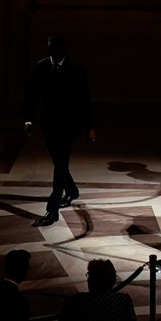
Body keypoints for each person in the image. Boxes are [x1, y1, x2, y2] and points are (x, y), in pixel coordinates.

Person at [24, 34, 97, 227]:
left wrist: (91, 126)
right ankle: (72, 190)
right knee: (59, 162)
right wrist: (28, 120)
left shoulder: (76, 69)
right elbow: (33, 95)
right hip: (48, 125)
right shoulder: (41, 67)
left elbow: (85, 100)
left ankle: (52, 209)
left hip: (68, 126)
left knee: (60, 164)